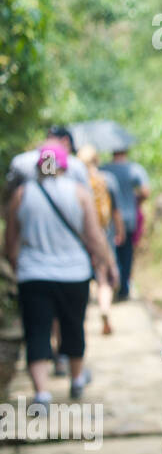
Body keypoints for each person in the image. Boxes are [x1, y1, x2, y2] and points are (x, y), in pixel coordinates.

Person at [3, 142, 118, 407]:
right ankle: (76, 379)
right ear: (64, 166)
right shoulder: (79, 193)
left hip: (33, 275)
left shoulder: (22, 194)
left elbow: (10, 242)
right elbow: (94, 236)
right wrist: (108, 264)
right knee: (73, 326)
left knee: (37, 330)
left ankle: (42, 393)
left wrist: (19, 263)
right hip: (74, 274)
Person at [78, 145, 126, 335]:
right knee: (104, 279)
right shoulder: (108, 180)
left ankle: (80, 320)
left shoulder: (76, 183)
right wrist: (120, 232)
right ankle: (105, 310)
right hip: (103, 235)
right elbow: (116, 211)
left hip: (81, 237)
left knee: (82, 279)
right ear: (97, 160)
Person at [99, 145, 149, 301]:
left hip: (110, 220)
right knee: (127, 253)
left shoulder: (104, 170)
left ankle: (113, 283)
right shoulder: (135, 169)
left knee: (112, 253)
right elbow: (146, 191)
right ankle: (124, 288)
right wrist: (136, 201)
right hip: (129, 218)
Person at [5, 125, 91, 193]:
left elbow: (9, 196)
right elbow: (88, 199)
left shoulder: (20, 161)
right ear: (66, 141)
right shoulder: (76, 165)